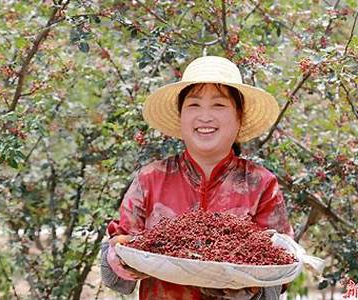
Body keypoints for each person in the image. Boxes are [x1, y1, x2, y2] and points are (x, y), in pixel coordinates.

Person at [101, 56, 294, 299]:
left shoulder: (261, 184)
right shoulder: (150, 179)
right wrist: (118, 257)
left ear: (239, 117)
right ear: (181, 115)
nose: (205, 116)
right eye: (194, 105)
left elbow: (281, 268)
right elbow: (119, 257)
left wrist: (251, 287)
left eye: (219, 105)